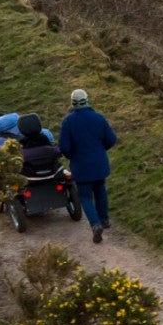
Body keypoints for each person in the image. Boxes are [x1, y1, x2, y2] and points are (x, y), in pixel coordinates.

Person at [55, 88, 117, 243]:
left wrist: (72, 156)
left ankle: (95, 224)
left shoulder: (68, 121)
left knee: (84, 196)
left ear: (73, 103)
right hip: (99, 162)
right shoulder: (99, 118)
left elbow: (64, 147)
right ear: (87, 100)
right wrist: (100, 150)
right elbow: (111, 139)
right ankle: (105, 219)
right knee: (100, 189)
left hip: (81, 165)